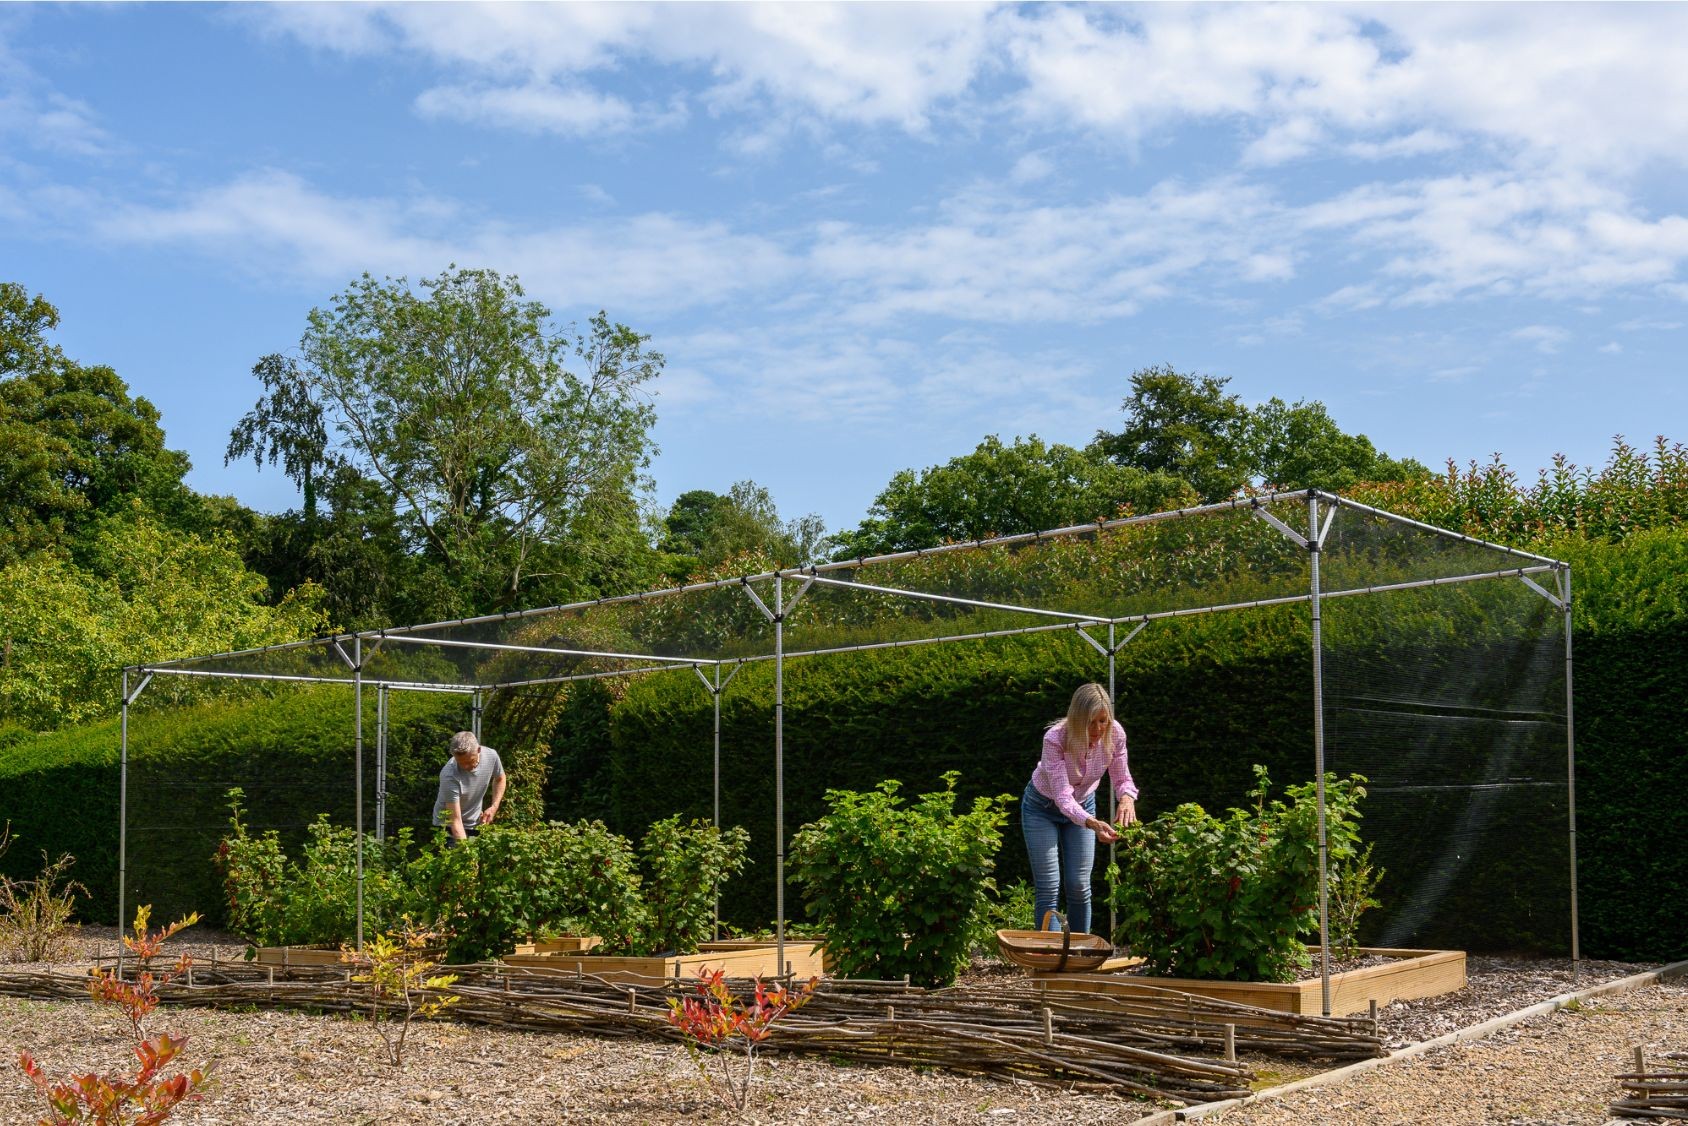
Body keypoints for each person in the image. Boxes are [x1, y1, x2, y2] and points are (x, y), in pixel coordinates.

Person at [1021, 683, 1138, 936]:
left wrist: (1127, 799)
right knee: (1049, 886)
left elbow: (1122, 779)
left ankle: (1079, 952)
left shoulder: (1115, 734)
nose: (1097, 729)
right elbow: (1063, 798)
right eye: (1089, 722)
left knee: (1079, 885)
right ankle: (1052, 952)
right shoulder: (1055, 739)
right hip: (1042, 808)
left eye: (1102, 721)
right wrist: (1093, 823)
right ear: (1076, 718)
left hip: (1084, 805)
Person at [432, 730, 507, 843]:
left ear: (478, 750)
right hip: (447, 826)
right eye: (460, 762)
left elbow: (500, 779)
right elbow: (455, 821)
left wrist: (494, 807)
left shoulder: (491, 756)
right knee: (459, 853)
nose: (465, 767)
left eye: (469, 761)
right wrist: (467, 852)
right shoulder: (449, 775)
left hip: (474, 823)